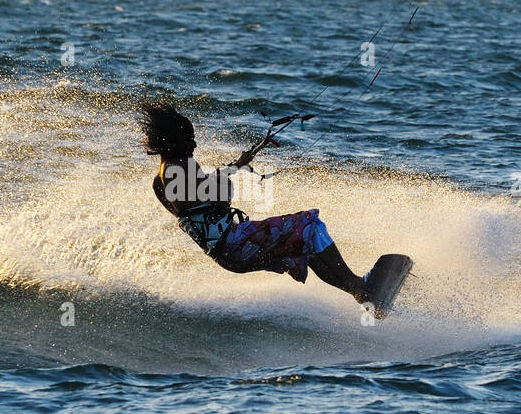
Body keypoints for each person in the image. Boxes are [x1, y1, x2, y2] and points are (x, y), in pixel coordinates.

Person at [138, 101, 380, 304]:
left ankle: (360, 292)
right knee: (310, 225)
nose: (194, 144)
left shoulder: (160, 179)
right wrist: (232, 174)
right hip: (235, 242)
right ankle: (360, 288)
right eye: (188, 139)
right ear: (171, 140)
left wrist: (235, 166)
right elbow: (219, 200)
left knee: (303, 243)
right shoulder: (183, 166)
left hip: (226, 255)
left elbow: (198, 207)